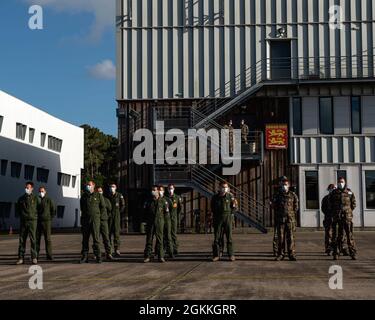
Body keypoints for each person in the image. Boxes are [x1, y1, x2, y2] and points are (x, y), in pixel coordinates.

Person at [329, 177, 357, 260]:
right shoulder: (334, 193)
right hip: (337, 218)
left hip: (347, 217)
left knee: (349, 235)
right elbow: (330, 204)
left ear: (344, 182)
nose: (341, 183)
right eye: (339, 182)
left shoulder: (349, 192)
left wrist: (348, 211)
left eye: (342, 182)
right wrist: (335, 212)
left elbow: (353, 203)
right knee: (337, 236)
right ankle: (336, 253)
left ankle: (352, 253)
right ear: (337, 183)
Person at [79, 181, 106, 263]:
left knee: (96, 239)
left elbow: (103, 207)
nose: (88, 186)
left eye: (89, 185)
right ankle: (84, 257)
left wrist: (97, 216)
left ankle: (98, 256)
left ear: (93, 186)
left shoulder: (98, 195)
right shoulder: (83, 196)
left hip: (95, 220)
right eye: (87, 185)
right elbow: (82, 208)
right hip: (85, 220)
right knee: (85, 239)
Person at [272, 178, 299, 261]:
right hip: (280, 220)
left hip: (290, 220)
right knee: (281, 238)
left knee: (291, 238)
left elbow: (296, 207)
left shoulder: (293, 195)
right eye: (283, 184)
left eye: (286, 184)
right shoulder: (277, 195)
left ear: (289, 185)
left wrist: (290, 214)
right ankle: (281, 254)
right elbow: (274, 206)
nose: (284, 186)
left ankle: (292, 254)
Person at [211, 182, 238, 262]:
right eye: (223, 187)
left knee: (229, 237)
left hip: (228, 217)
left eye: (226, 187)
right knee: (217, 237)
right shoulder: (215, 197)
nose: (224, 188)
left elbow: (235, 207)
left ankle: (231, 254)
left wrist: (231, 214)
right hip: (218, 218)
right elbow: (212, 208)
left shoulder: (230, 197)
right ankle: (217, 255)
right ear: (219, 188)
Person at [143, 186, 170, 263]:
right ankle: (147, 256)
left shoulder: (163, 201)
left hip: (159, 223)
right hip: (150, 223)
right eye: (152, 190)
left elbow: (166, 214)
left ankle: (160, 256)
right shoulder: (148, 201)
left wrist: (164, 223)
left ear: (158, 191)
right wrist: (145, 222)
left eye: (154, 190)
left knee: (160, 240)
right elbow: (144, 212)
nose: (153, 191)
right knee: (149, 240)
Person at [16, 182, 40, 265]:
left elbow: (40, 208)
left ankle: (34, 257)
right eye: (26, 187)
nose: (27, 189)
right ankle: (20, 258)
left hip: (33, 221)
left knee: (33, 239)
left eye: (28, 187)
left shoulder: (36, 198)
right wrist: (22, 216)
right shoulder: (21, 198)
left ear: (32, 188)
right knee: (22, 240)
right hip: (23, 221)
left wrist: (35, 216)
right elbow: (18, 209)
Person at [36, 186, 56, 261]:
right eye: (40, 191)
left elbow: (53, 209)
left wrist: (50, 218)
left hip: (47, 222)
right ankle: (36, 255)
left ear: (45, 192)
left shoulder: (49, 200)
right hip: (38, 221)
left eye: (42, 191)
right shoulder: (36, 199)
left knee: (47, 239)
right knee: (37, 239)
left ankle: (49, 255)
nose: (41, 193)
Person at [108, 183, 125, 257]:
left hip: (117, 216)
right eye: (111, 187)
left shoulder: (119, 195)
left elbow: (123, 205)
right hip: (109, 216)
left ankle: (117, 249)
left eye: (113, 187)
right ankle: (109, 250)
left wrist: (119, 212)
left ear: (116, 188)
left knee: (116, 233)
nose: (112, 188)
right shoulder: (108, 196)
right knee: (108, 233)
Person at [97, 187, 114, 261]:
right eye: (98, 191)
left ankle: (108, 253)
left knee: (106, 238)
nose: (99, 192)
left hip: (104, 221)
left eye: (100, 191)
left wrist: (106, 216)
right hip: (96, 221)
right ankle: (97, 253)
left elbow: (110, 210)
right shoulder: (94, 200)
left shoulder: (106, 200)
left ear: (102, 191)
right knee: (96, 238)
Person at [166, 184, 183, 255]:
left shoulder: (177, 197)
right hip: (166, 218)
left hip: (174, 218)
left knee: (173, 234)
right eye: (169, 188)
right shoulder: (165, 197)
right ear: (167, 189)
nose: (170, 190)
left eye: (171, 188)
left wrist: (175, 215)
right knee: (167, 234)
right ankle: (168, 249)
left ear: (174, 189)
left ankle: (175, 249)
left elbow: (179, 208)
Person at [158, 186, 174, 258]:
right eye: (159, 190)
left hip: (167, 220)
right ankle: (159, 252)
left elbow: (171, 209)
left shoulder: (167, 199)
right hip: (160, 220)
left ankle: (171, 252)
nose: (159, 192)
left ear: (164, 191)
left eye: (161, 190)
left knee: (168, 236)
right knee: (160, 237)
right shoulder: (157, 200)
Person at [321, 184, 335, 255]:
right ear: (328, 189)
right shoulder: (325, 198)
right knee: (328, 234)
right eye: (331, 188)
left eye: (334, 188)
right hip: (328, 218)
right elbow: (323, 208)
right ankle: (328, 248)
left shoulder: (337, 198)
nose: (332, 189)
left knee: (337, 234)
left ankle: (338, 248)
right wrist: (329, 214)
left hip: (336, 218)